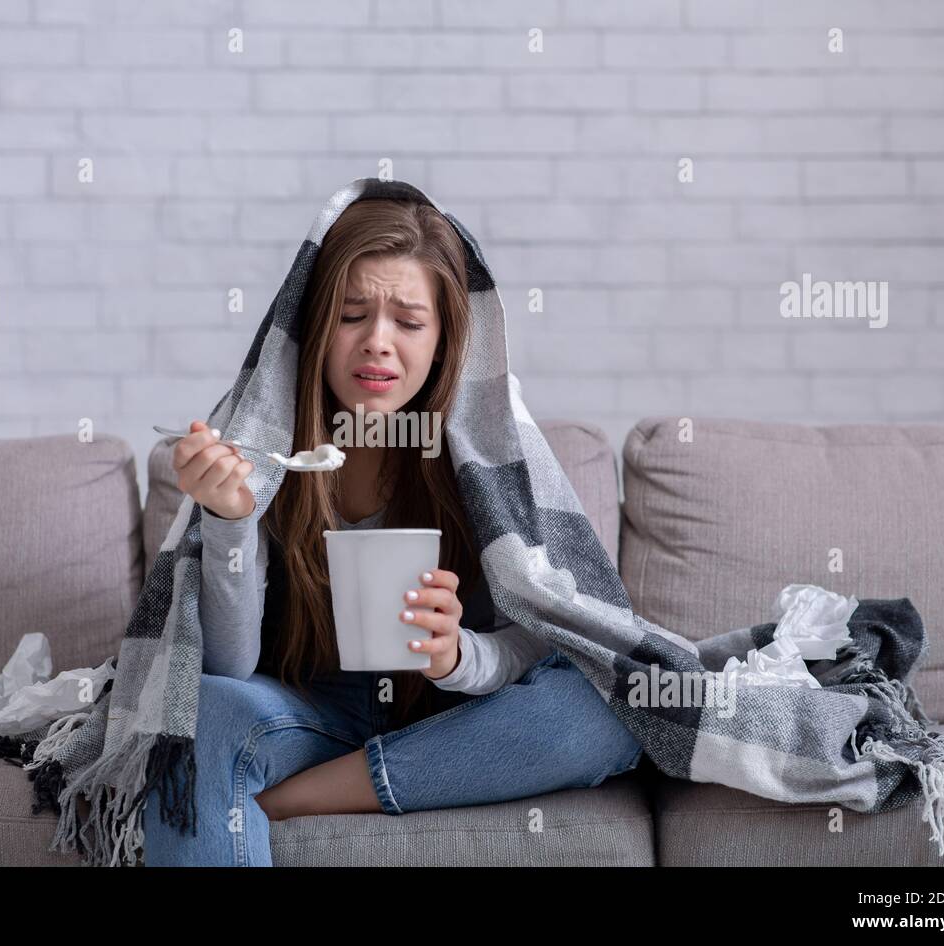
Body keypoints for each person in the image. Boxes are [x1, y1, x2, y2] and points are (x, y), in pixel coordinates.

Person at [141, 195, 642, 867]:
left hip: (449, 718)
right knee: (204, 711)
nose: (378, 340)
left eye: (408, 321)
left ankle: (297, 797)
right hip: (306, 706)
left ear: (443, 343)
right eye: (352, 315)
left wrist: (459, 657)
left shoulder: (490, 442)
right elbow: (228, 668)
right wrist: (231, 522)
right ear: (317, 325)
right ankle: (355, 776)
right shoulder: (261, 437)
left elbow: (550, 633)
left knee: (609, 705)